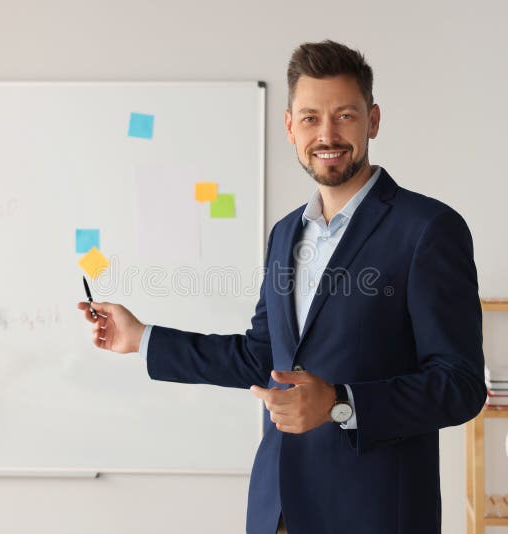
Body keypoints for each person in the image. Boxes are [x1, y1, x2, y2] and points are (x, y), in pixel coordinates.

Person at [78, 40, 486, 534]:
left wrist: (340, 402)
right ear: (290, 127)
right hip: (278, 510)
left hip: (374, 512)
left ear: (373, 121)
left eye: (345, 116)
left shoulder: (428, 229)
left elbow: (460, 386)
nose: (327, 134)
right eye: (311, 118)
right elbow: (261, 358)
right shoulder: (286, 233)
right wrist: (140, 338)